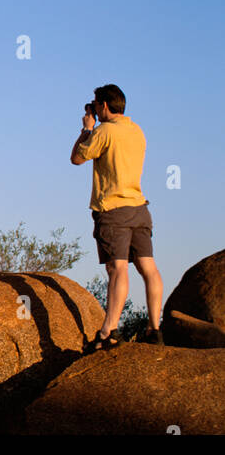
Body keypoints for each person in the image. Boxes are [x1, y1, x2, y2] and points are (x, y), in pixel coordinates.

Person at [70, 83, 163, 348]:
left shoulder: (104, 131)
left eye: (96, 105)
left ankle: (107, 333)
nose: (95, 109)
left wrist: (87, 128)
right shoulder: (137, 130)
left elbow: (77, 158)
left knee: (117, 268)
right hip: (140, 208)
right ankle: (154, 329)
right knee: (148, 267)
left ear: (104, 106)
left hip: (113, 210)